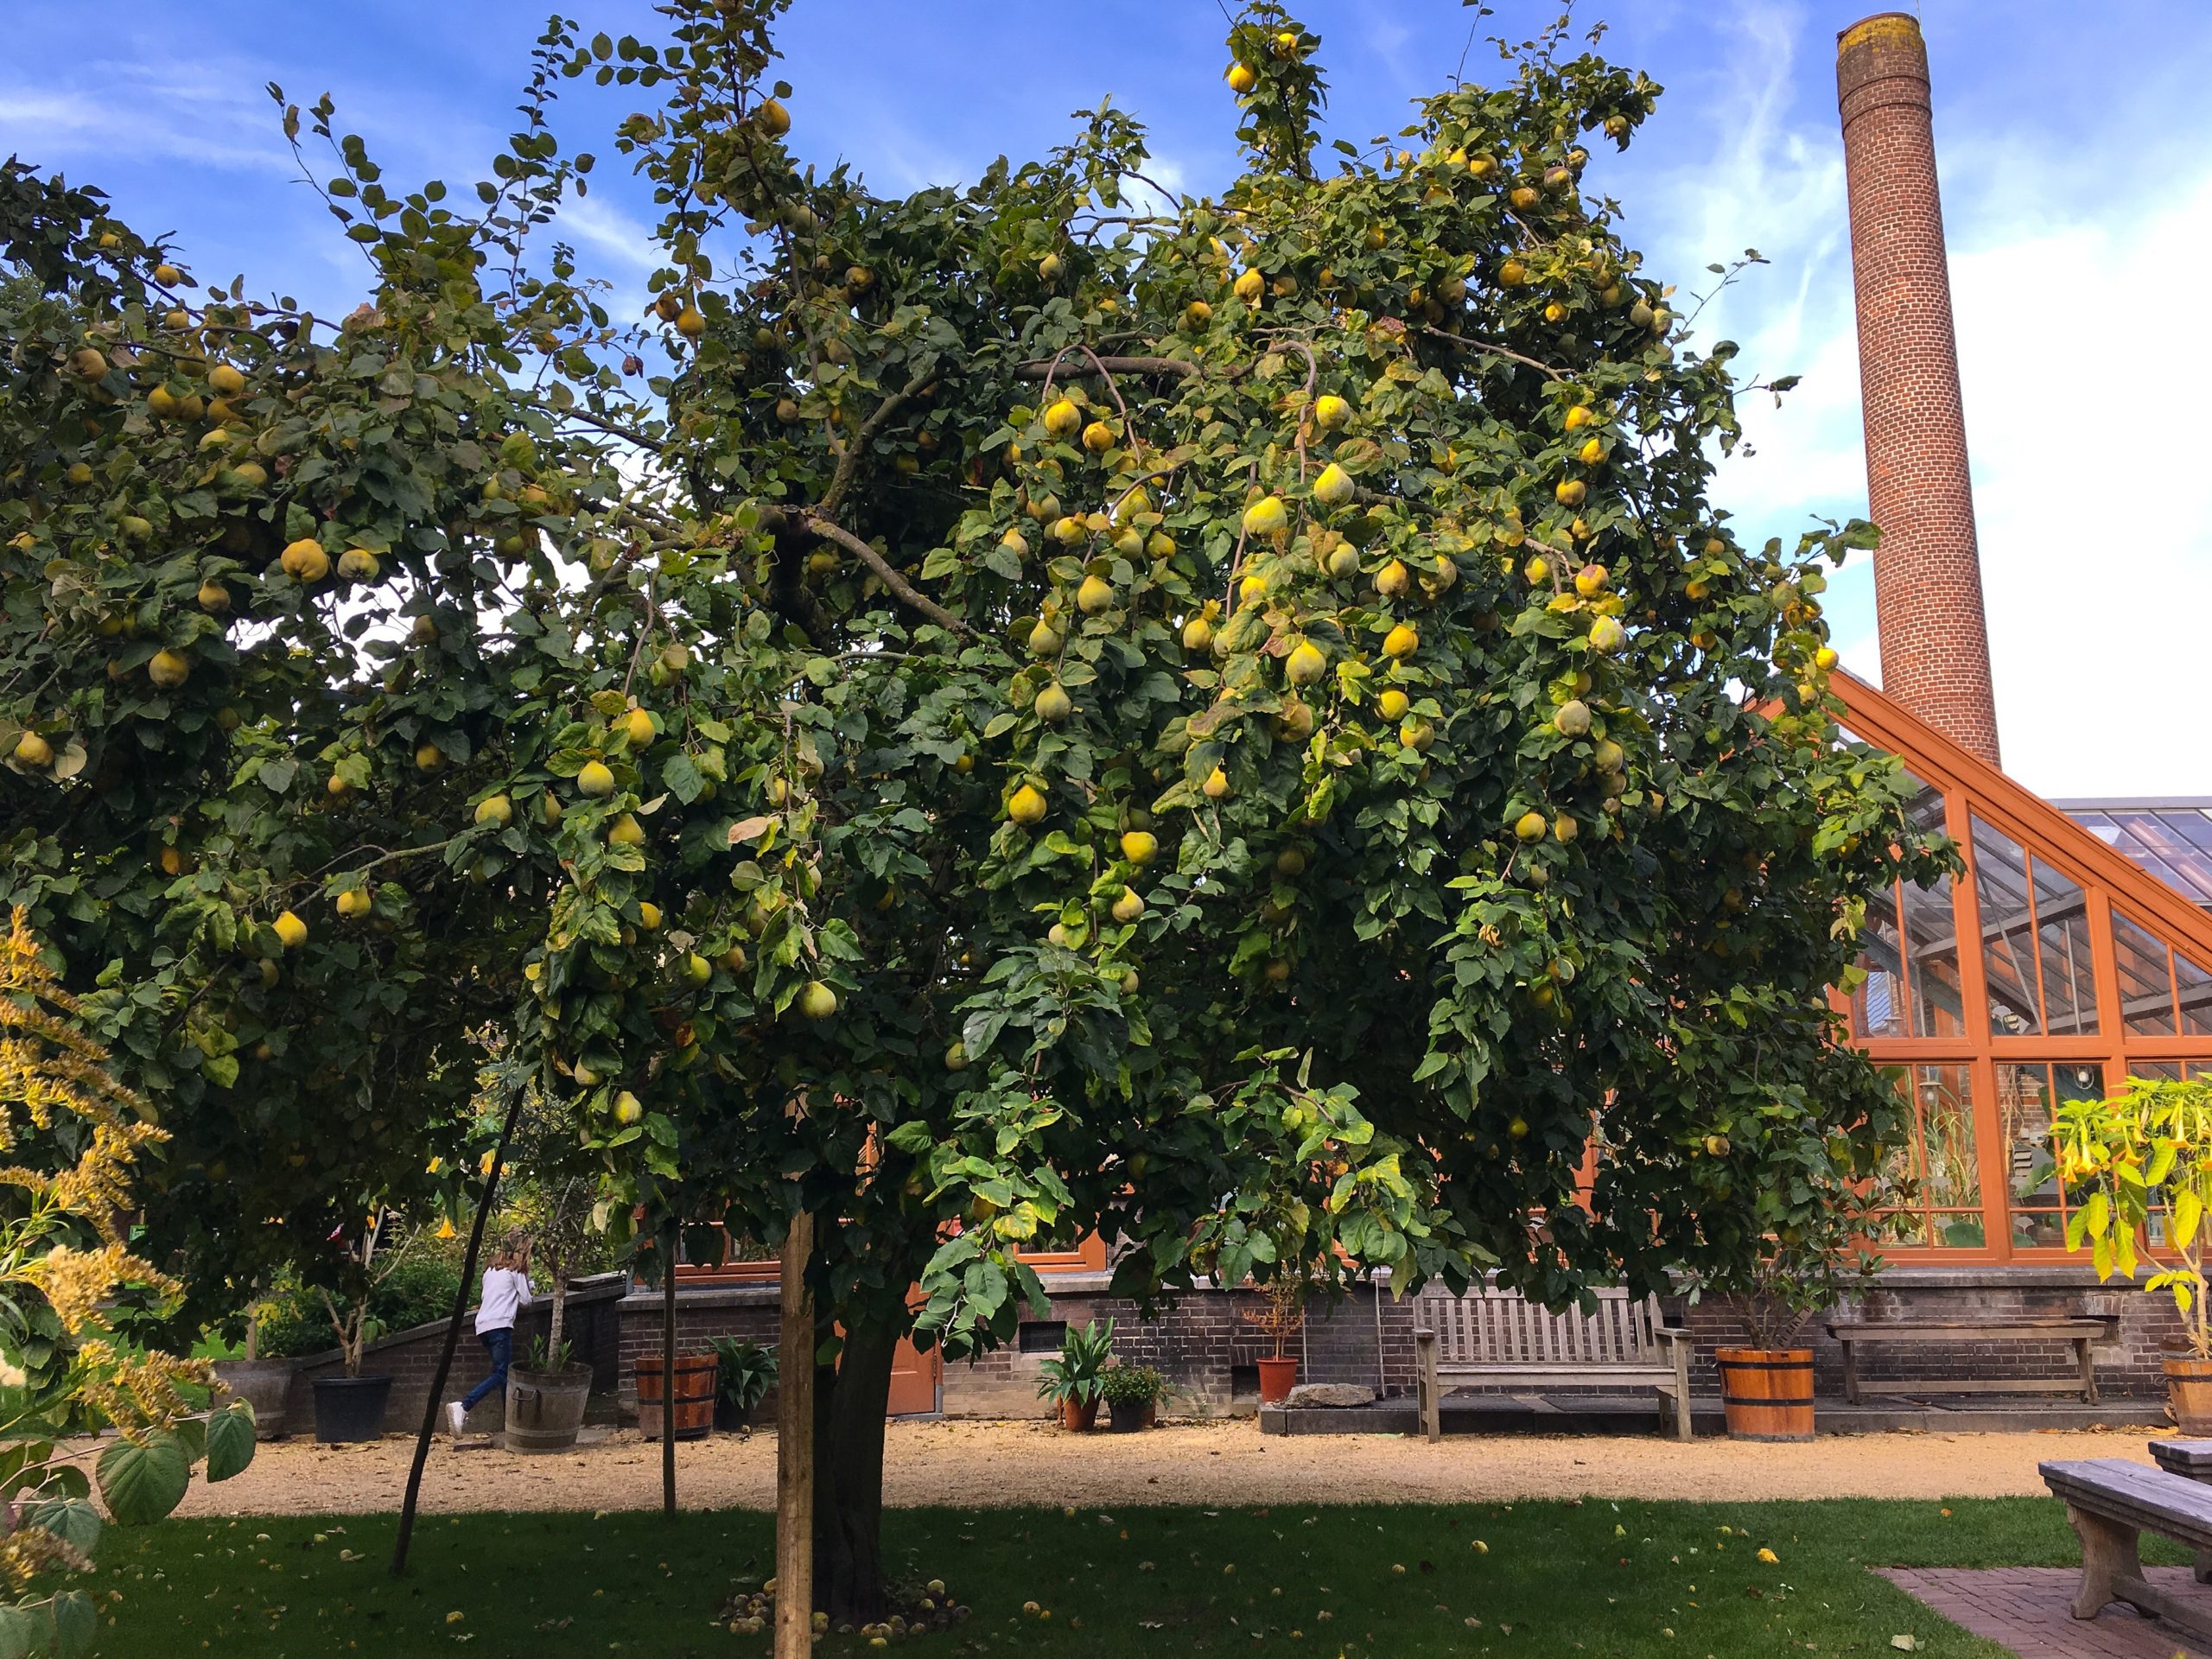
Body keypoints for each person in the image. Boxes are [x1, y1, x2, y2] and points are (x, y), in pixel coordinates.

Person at [448, 1235, 533, 1438]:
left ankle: (510, 1423)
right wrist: (529, 1285)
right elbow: (526, 1301)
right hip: (500, 1325)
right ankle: (464, 1405)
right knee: (501, 1373)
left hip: (483, 1326)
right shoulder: (516, 1271)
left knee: (502, 1377)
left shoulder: (491, 1270)